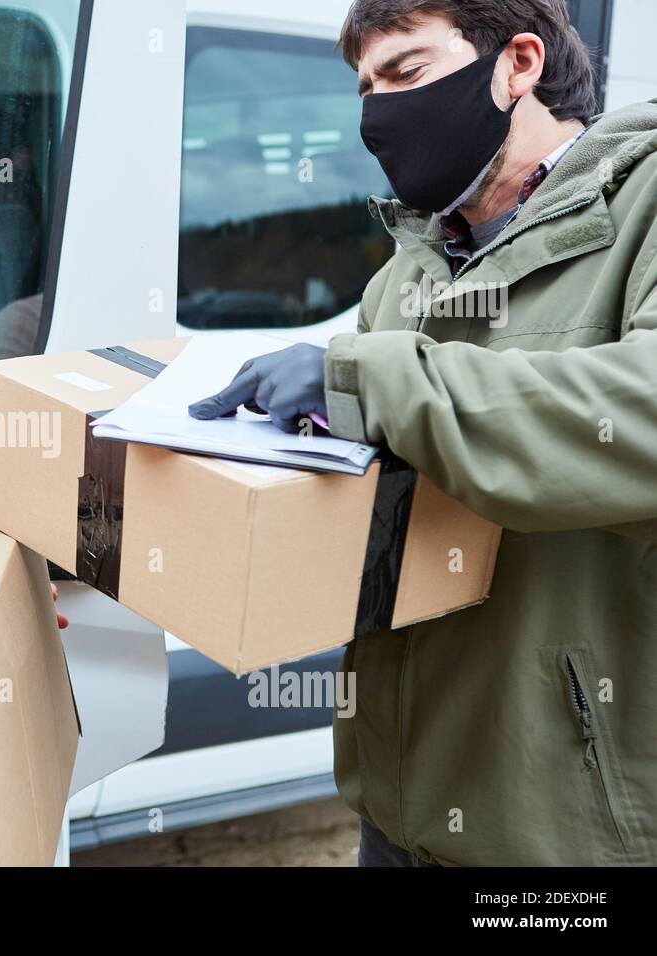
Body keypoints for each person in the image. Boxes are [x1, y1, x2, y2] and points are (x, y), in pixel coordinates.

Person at [190, 0, 657, 865]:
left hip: (567, 826)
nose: (378, 113)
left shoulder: (643, 207)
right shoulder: (407, 270)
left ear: (518, 65)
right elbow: (382, 498)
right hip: (400, 804)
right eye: (364, 89)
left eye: (405, 73)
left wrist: (370, 379)